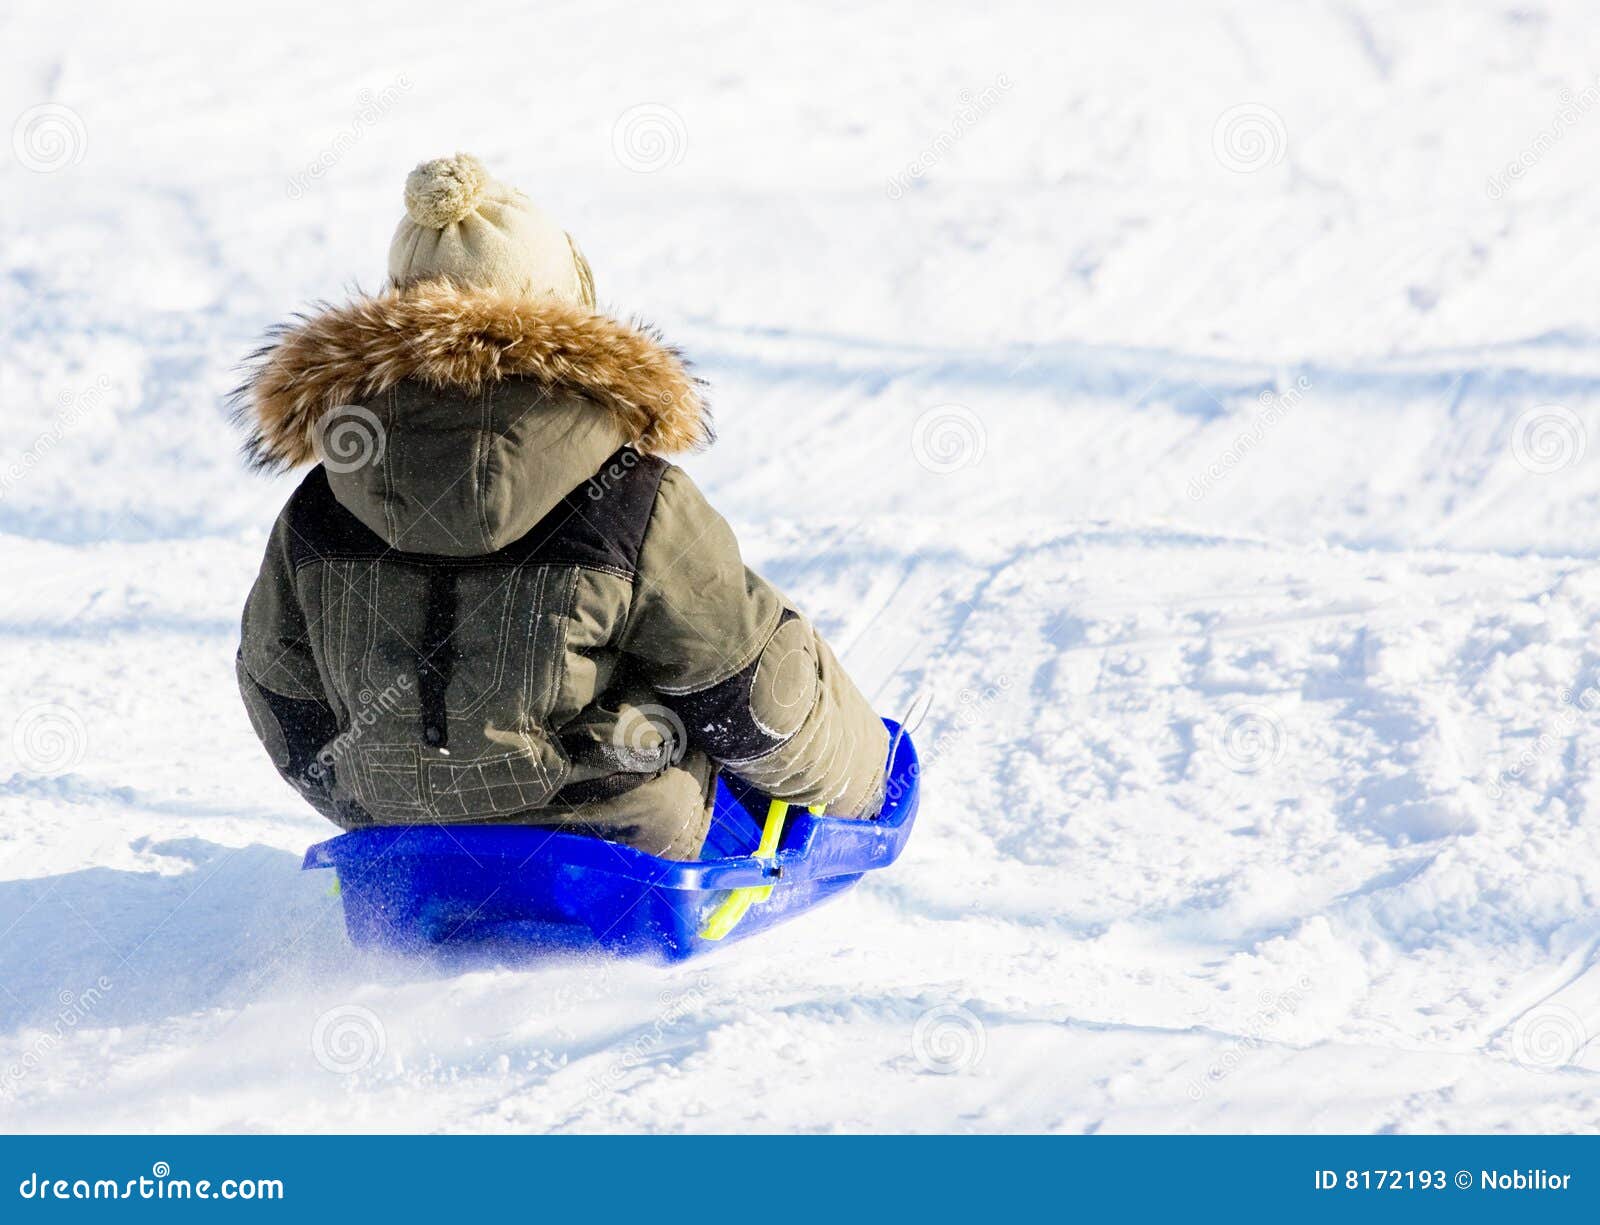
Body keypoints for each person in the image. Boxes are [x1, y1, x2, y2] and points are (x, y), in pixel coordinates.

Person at [233, 153, 888, 859]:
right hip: (614, 850)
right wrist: (870, 787)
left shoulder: (324, 498)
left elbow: (281, 690)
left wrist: (379, 805)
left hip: (406, 847)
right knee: (718, 718)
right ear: (568, 316)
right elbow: (753, 690)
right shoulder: (633, 497)